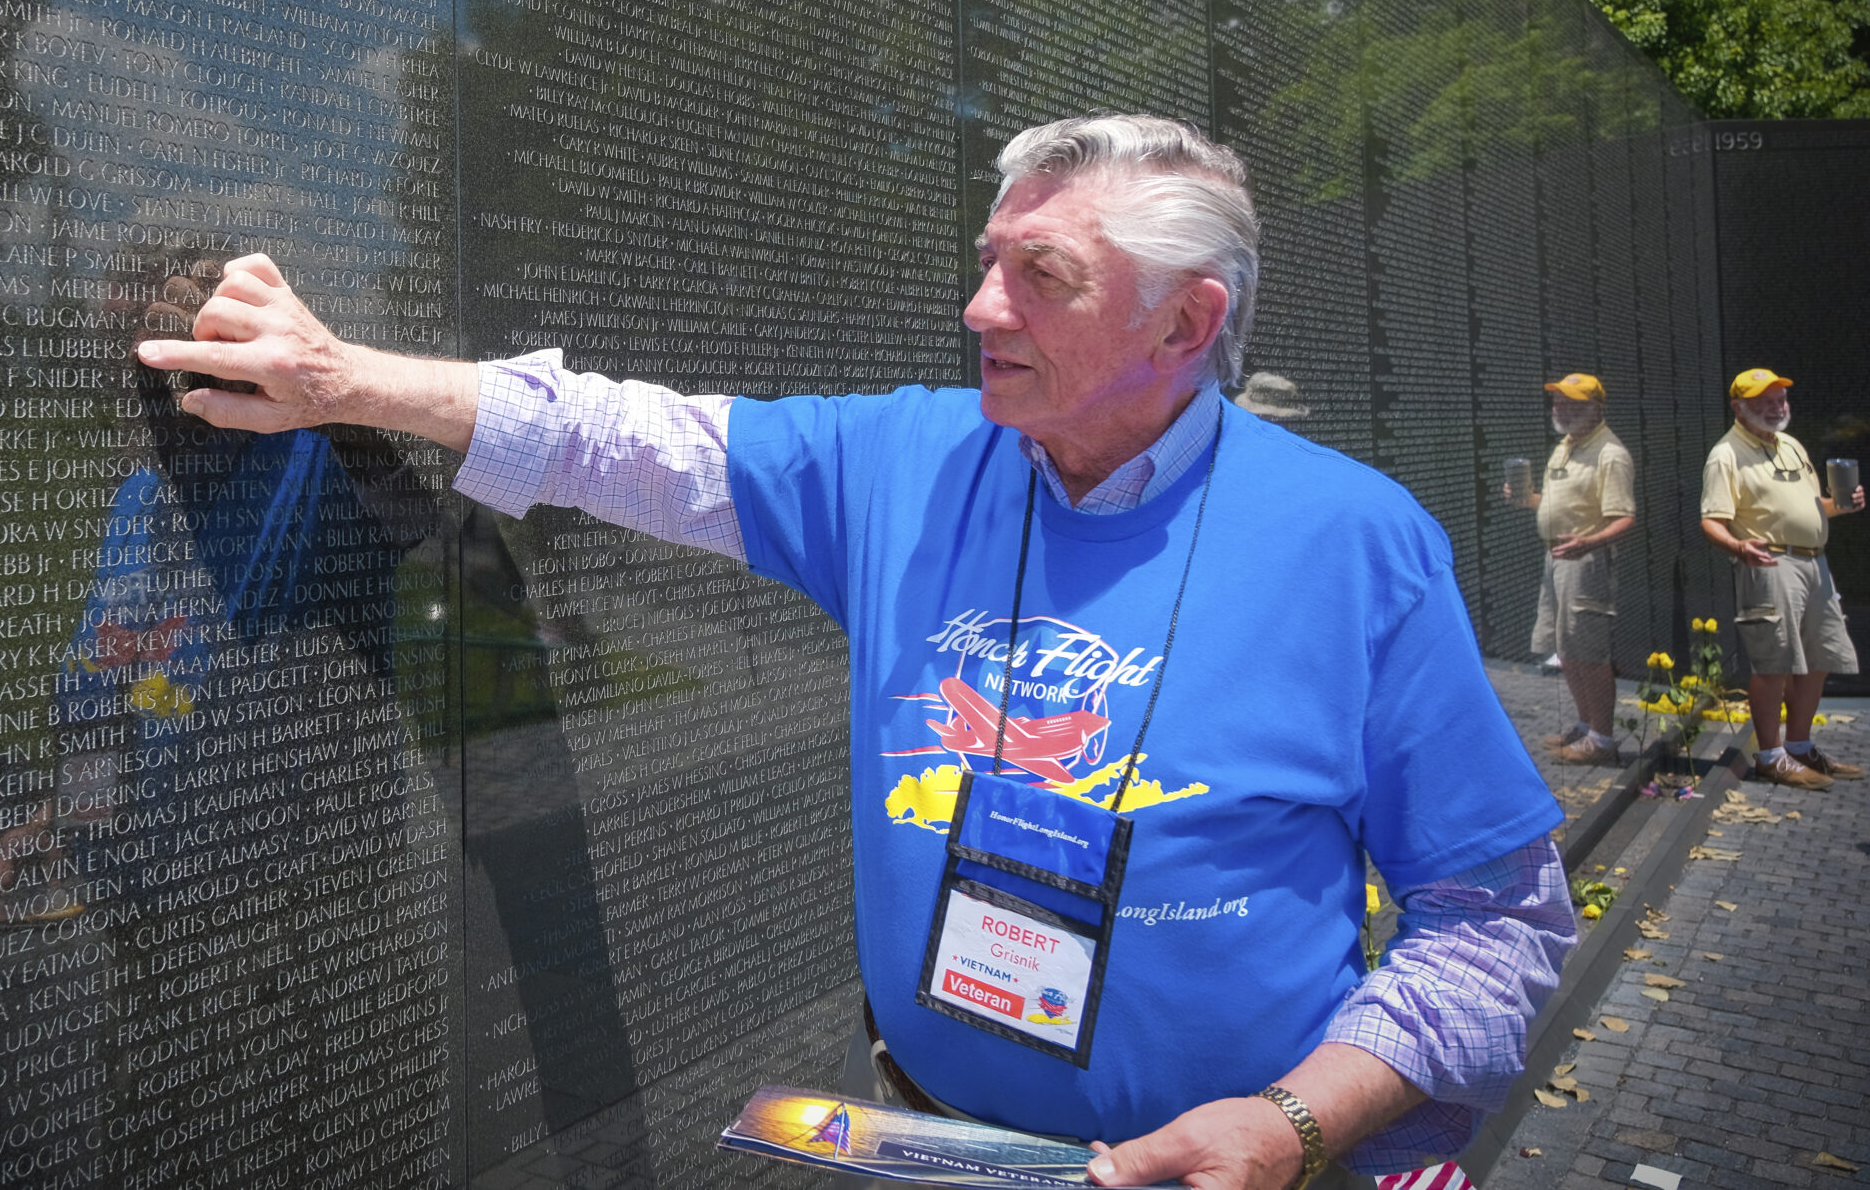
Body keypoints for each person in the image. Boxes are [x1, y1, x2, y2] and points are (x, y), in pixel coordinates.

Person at [136, 115, 1575, 1188]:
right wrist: (342, 378)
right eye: (986, 260)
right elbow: (627, 439)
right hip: (931, 1149)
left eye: (1041, 274)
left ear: (1185, 323)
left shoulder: (1353, 541)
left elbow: (1498, 919)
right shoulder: (910, 458)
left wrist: (1297, 1120)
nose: (980, 307)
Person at [1700, 369, 1866, 789]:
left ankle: (1799, 747)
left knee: (1819, 659)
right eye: (1763, 402)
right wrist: (1738, 548)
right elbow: (1712, 521)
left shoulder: (1791, 444)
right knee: (1774, 662)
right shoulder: (1726, 454)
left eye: (1779, 399)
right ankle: (1771, 756)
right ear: (1738, 408)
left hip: (1815, 564)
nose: (1776, 408)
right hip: (1770, 564)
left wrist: (1840, 507)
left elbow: (1812, 507)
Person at [1504, 376, 1638, 765]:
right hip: (1558, 558)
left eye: (1573, 404)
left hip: (1585, 562)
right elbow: (1562, 502)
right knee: (1568, 650)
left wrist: (1588, 543)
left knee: (1589, 651)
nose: (1561, 410)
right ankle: (1585, 725)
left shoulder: (1610, 454)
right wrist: (1528, 499)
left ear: (1597, 408)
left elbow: (1623, 518)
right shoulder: (1566, 446)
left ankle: (1602, 739)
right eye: (1558, 403)